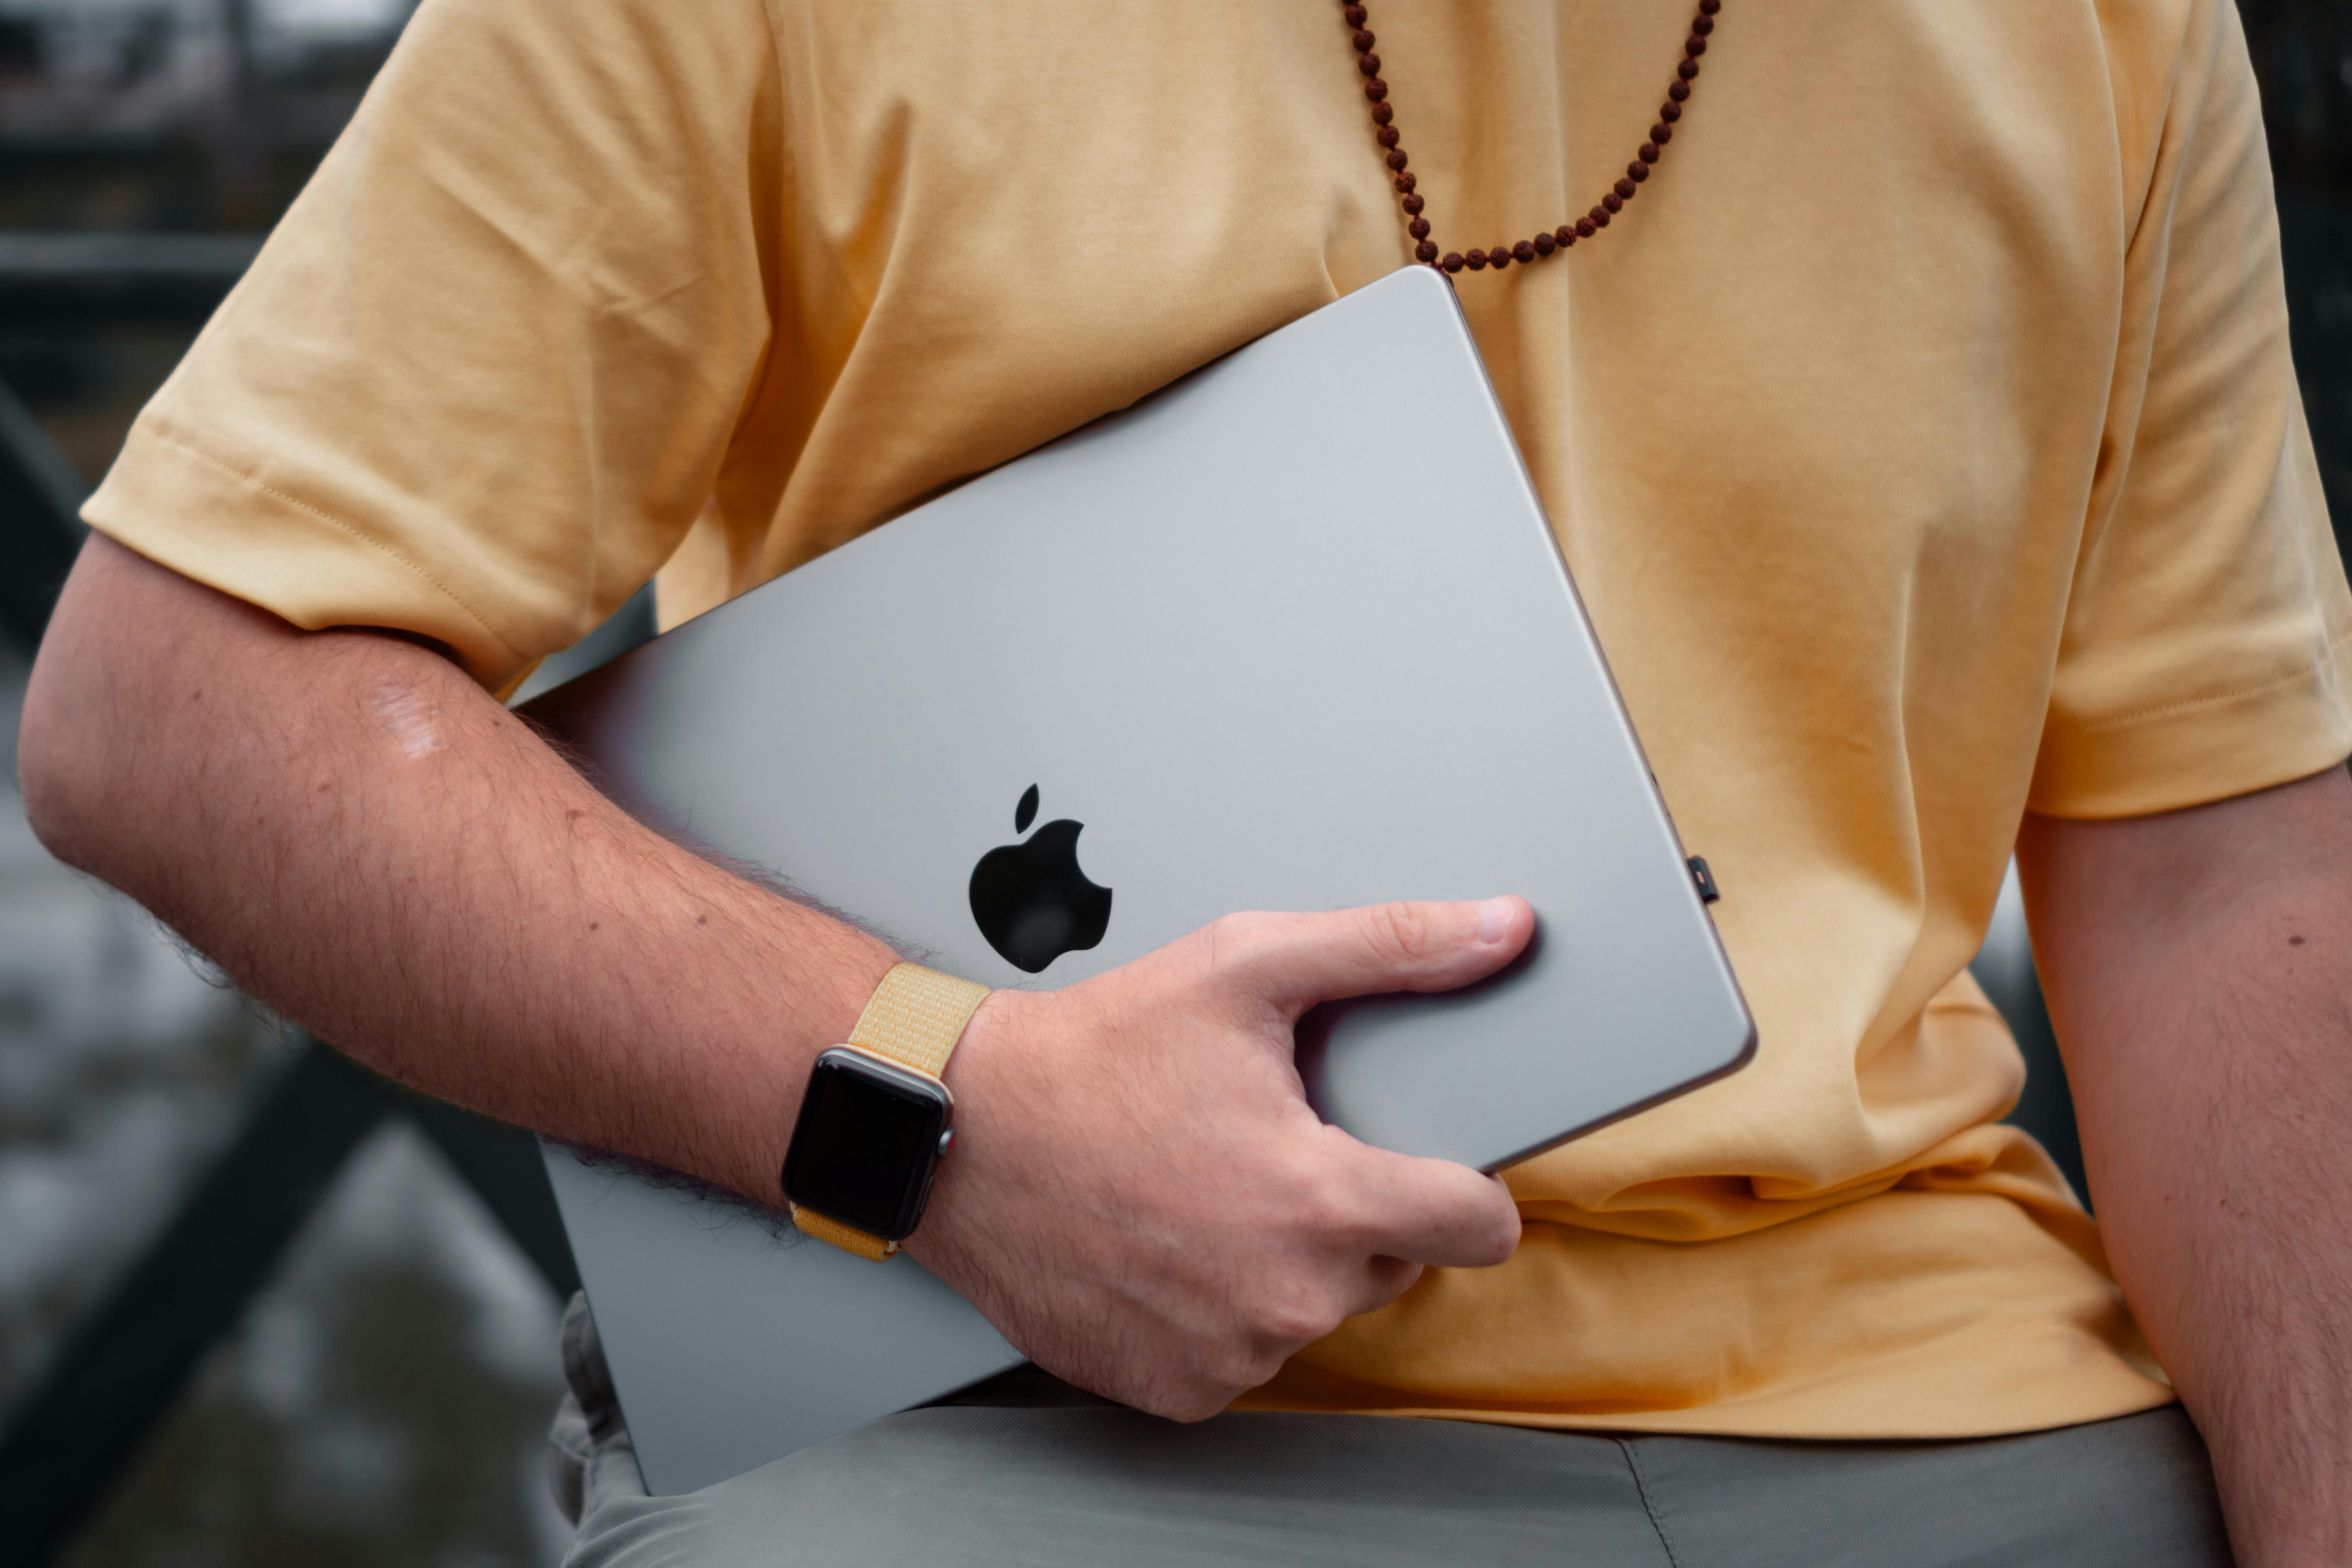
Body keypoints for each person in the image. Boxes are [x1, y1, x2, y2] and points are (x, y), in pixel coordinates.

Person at [18, 0, 2352, 1561]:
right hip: (1005, 1426)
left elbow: (2211, 874)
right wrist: (931, 1116)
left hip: (1951, 1429)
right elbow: (175, 704)